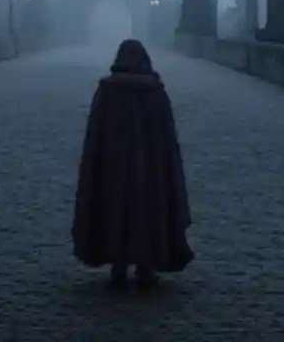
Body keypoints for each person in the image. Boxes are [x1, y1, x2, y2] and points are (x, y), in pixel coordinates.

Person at [72, 39, 194, 289]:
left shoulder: (107, 92)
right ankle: (145, 267)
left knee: (113, 208)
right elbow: (167, 141)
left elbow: (95, 137)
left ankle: (118, 264)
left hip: (112, 166)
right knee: (150, 210)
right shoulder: (155, 93)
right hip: (150, 170)